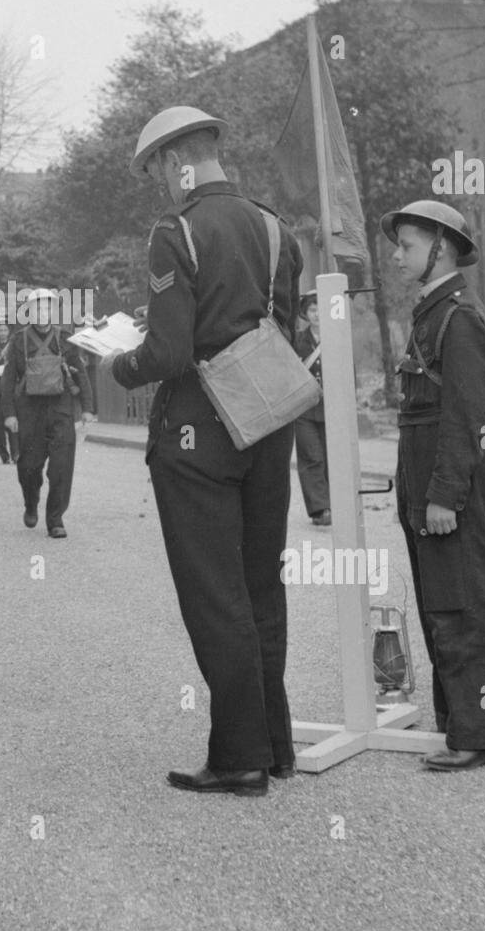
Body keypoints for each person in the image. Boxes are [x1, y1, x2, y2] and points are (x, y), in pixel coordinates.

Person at [111, 106, 302, 797]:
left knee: (214, 597)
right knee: (259, 589)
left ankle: (238, 758)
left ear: (173, 161)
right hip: (266, 425)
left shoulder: (177, 233)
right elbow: (281, 334)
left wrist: (121, 365)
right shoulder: (278, 230)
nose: (161, 183)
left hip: (198, 435)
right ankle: (275, 746)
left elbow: (168, 352)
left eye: (157, 170)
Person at [383, 198, 485, 772]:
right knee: (443, 603)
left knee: (465, 606)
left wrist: (442, 495)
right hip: (430, 484)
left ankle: (480, 735)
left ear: (443, 247)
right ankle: (458, 721)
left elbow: (467, 415)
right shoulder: (431, 313)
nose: (396, 254)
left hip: (451, 487)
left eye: (407, 244)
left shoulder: (459, 318)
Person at [0, 290, 94, 538]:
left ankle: (55, 519)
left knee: (62, 466)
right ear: (30, 312)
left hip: (61, 407)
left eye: (47, 308)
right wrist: (9, 413)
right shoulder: (19, 340)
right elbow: (9, 378)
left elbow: (79, 373)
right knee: (29, 467)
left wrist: (87, 408)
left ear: (53, 311)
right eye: (37, 309)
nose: (43, 314)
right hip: (30, 410)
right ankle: (31, 502)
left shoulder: (65, 338)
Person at [292, 291, 330, 527]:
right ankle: (319, 509)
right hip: (304, 409)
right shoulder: (297, 340)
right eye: (313, 309)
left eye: (321, 309)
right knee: (311, 457)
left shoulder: (336, 337)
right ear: (306, 313)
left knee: (331, 457)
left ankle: (334, 503)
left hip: (331, 408)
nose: (317, 314)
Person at [0, 321, 20, 465]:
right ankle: (4, 455)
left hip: (11, 391)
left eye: (5, 330)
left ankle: (16, 454)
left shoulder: (13, 346)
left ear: (9, 332)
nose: (2, 333)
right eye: (0, 330)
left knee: (13, 423)